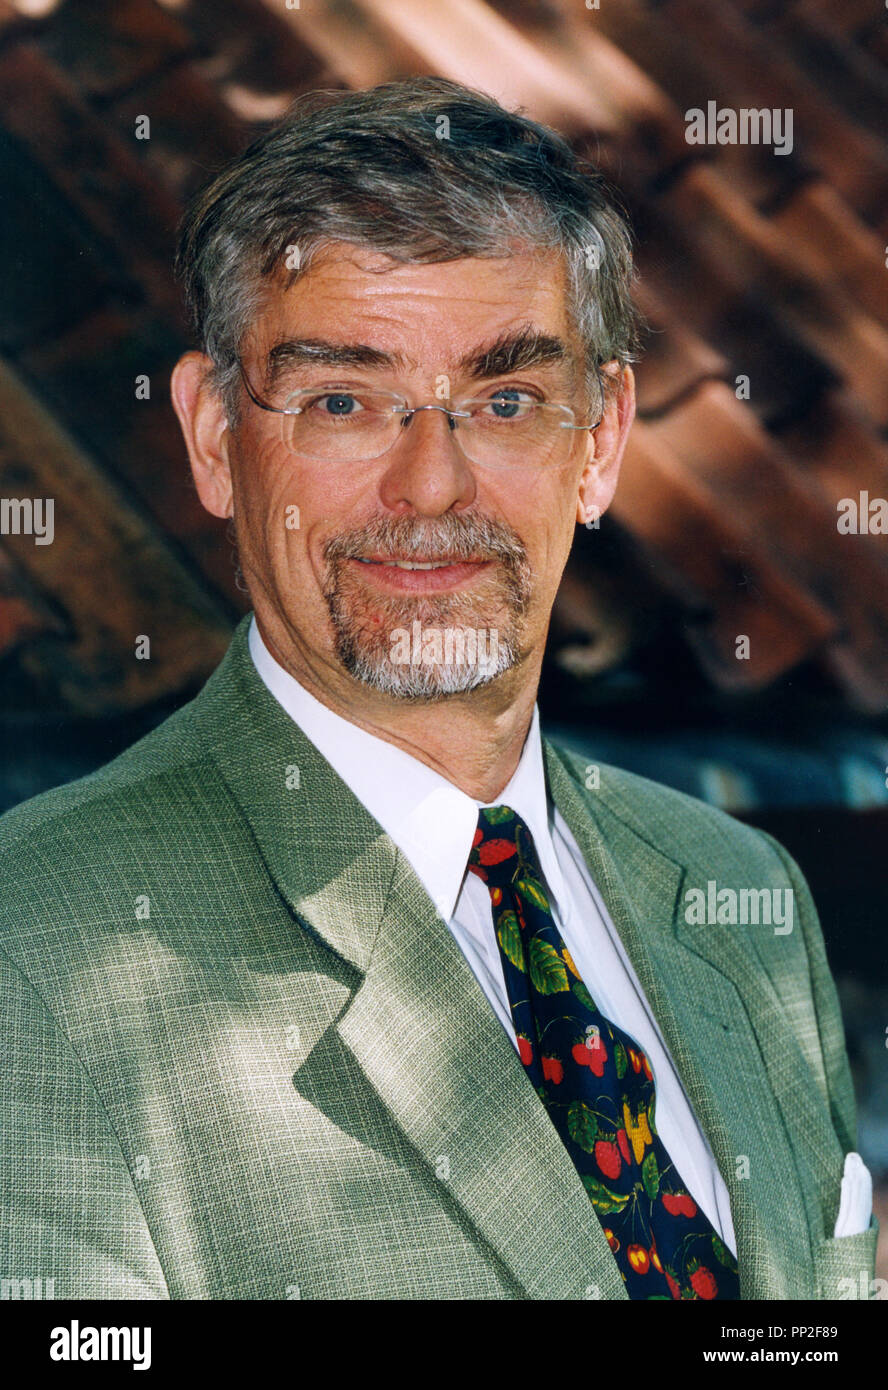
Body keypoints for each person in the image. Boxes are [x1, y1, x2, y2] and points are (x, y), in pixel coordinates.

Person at [0, 77, 876, 1301]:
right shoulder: (33, 946)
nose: (430, 486)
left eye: (505, 399)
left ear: (603, 439)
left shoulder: (739, 892)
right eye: (344, 401)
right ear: (211, 438)